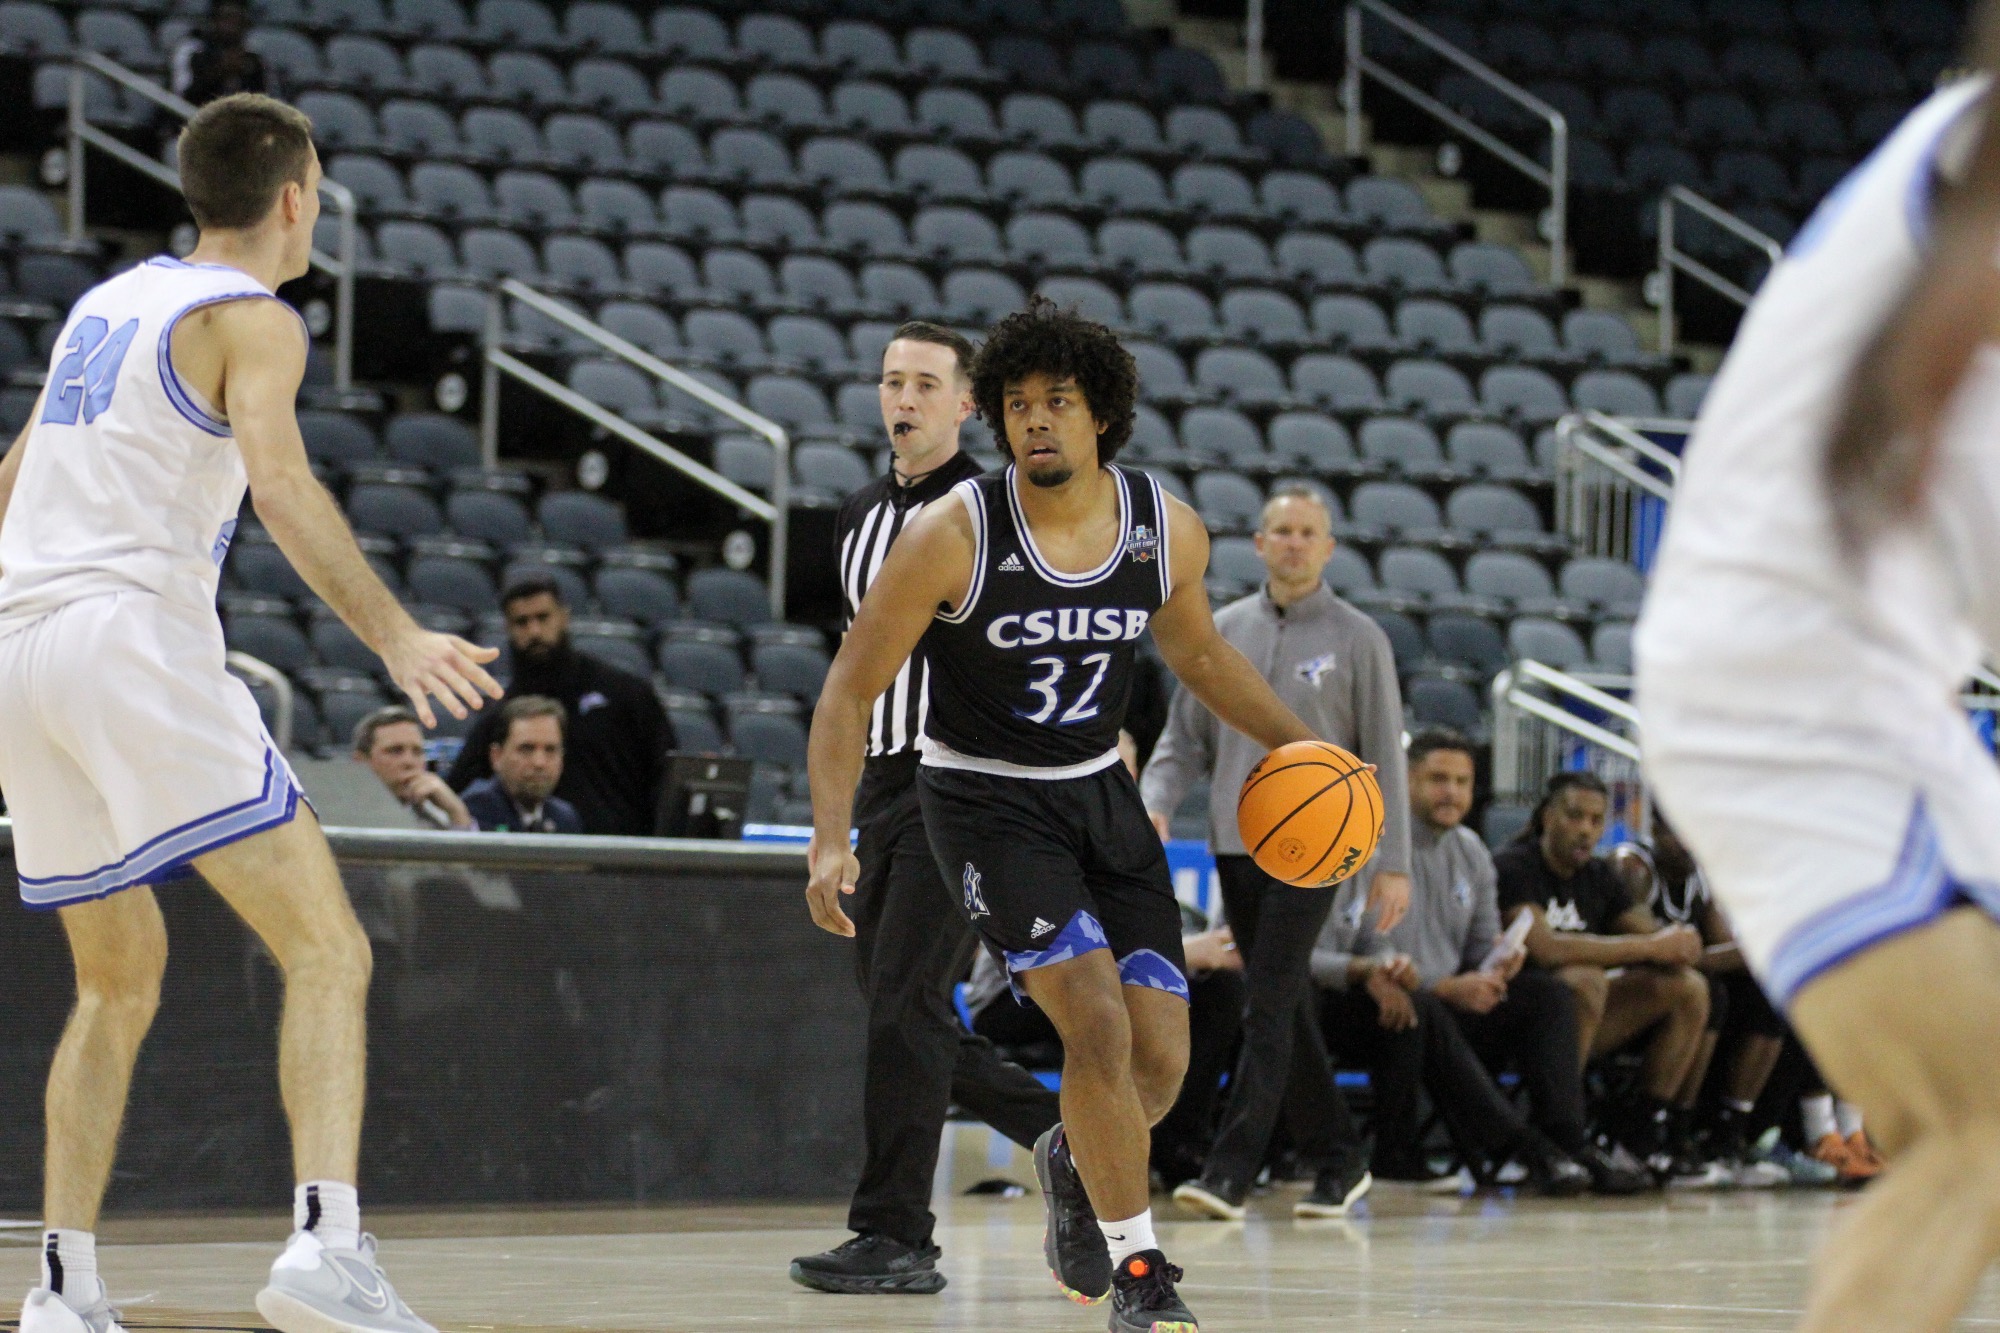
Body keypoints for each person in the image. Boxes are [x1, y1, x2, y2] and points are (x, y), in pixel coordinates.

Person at [0, 94, 499, 1333]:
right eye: (318, 188)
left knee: (117, 980)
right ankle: (326, 1248)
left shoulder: (103, 308)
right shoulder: (254, 319)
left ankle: (62, 1286)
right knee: (328, 945)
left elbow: (14, 478)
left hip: (17, 652)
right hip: (129, 637)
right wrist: (394, 632)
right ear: (293, 198)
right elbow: (279, 481)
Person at [806, 298, 1381, 1332]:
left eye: (1056, 403)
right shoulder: (956, 532)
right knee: (1097, 1024)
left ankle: (1073, 1153)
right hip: (982, 800)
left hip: (1095, 795)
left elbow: (1199, 655)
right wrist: (827, 835)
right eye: (1017, 404)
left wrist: (1302, 745)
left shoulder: (1164, 527)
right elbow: (850, 686)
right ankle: (1140, 1277)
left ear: (1101, 415)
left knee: (1156, 1061)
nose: (1034, 421)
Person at [1636, 43, 2000, 1325]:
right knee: (1979, 1123)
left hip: (1878, 688)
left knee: (1957, 1123)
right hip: (1793, 679)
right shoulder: (1974, 155)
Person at [790, 321, 1060, 1297]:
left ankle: (896, 1232)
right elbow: (851, 680)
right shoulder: (858, 513)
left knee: (905, 1000)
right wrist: (833, 827)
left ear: (963, 407)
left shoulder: (993, 511)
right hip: (886, 782)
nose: (901, 397)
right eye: (890, 380)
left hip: (971, 778)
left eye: (923, 383)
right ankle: (1064, 1138)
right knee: (898, 1005)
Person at [1139, 483, 1412, 1222]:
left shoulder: (1361, 639)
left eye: (1306, 532)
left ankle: (1229, 1170)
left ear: (1328, 547)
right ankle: (1340, 1156)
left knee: (1267, 998)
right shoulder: (1218, 630)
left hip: (1321, 851)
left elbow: (1385, 749)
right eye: (1280, 530)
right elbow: (1180, 743)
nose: (1293, 542)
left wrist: (1395, 860)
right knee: (1278, 1003)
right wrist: (1156, 802)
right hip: (1236, 842)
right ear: (1258, 544)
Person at [1314, 729, 1647, 1195]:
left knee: (1548, 995)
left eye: (1463, 781)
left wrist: (1498, 966)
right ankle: (1521, 1148)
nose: (1452, 792)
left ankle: (1567, 1142)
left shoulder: (1472, 853)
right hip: (1372, 1004)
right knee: (1420, 1009)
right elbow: (1340, 953)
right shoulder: (1363, 845)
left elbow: (1478, 951)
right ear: (1404, 781)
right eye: (1438, 779)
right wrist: (1427, 983)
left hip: (1450, 1002)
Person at [1494, 773, 1712, 1182]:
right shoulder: (1515, 865)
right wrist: (1649, 948)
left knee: (1688, 989)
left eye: (1596, 821)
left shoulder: (1599, 876)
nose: (1585, 830)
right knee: (1583, 980)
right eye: (1575, 816)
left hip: (1584, 1020)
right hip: (1515, 1019)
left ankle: (1637, 1136)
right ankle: (1558, 1131)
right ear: (1546, 817)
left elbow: (1656, 937)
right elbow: (1545, 948)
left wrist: (1678, 941)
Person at [967, 915, 1246, 1191]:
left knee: (1219, 989)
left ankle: (1180, 1145)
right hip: (1018, 989)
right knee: (1105, 1006)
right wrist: (1181, 954)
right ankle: (1095, 1145)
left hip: (1102, 980)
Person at [1610, 815, 1793, 1188]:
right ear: (1657, 830)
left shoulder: (1700, 873)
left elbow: (1715, 944)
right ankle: (1670, 1135)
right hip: (1626, 997)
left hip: (1683, 991)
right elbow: (1654, 948)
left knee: (1766, 995)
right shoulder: (1632, 866)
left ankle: (1727, 1138)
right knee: (1707, 988)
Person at [446, 574, 672, 835]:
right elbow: (460, 796)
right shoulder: (502, 715)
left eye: (543, 618)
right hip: (544, 862)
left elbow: (666, 777)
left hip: (626, 856)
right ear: (508, 629)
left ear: (564, 617)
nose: (534, 632)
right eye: (522, 622)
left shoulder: (624, 692)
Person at [459, 696, 581, 834]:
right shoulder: (474, 811)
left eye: (550, 750)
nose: (539, 763)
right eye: (527, 749)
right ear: (496, 756)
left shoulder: (564, 818)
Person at [350, 704, 474, 831]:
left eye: (417, 752)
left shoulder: (437, 815)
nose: (409, 762)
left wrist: (458, 813)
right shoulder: (342, 818)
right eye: (395, 751)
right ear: (361, 761)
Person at [169, 0, 273, 107]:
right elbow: (181, 97)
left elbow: (264, 100)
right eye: (227, 17)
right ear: (214, 20)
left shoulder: (253, 58)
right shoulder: (192, 49)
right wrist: (220, 70)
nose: (232, 24)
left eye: (238, 18)